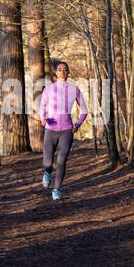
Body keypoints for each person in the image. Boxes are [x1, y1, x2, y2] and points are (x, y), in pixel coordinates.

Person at [39, 62, 88, 201]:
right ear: (56, 73)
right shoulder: (48, 89)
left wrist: (77, 125)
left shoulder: (74, 90)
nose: (63, 72)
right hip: (50, 130)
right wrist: (43, 119)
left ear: (68, 73)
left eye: (65, 70)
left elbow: (84, 110)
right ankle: (47, 172)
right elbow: (41, 106)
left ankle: (56, 189)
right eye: (60, 70)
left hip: (66, 130)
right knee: (47, 162)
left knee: (61, 162)